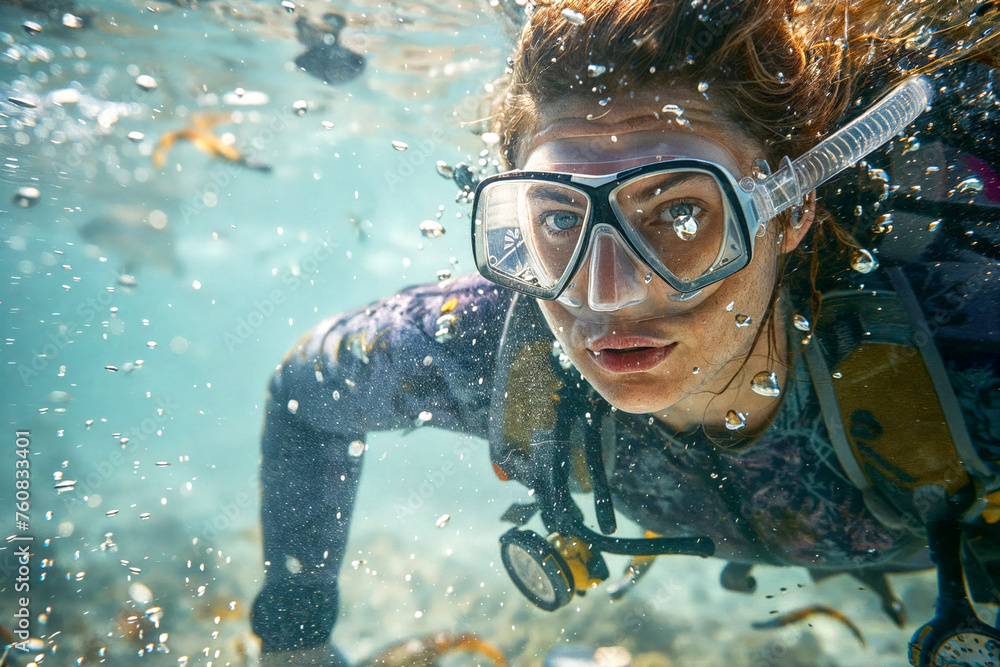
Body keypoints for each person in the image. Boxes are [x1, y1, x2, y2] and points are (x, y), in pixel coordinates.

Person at [251, 0, 1000, 664]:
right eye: (557, 218)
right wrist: (296, 636)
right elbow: (305, 394)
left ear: (790, 208)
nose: (606, 294)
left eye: (679, 212)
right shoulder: (488, 345)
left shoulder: (969, 348)